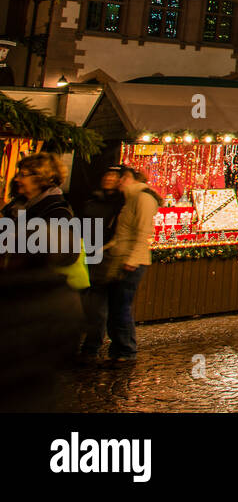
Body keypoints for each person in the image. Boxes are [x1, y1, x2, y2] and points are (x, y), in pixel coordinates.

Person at [0, 153, 83, 409]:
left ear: (43, 178)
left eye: (24, 174)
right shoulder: (17, 206)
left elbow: (62, 250)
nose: (17, 179)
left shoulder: (55, 210)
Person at [80, 165, 160, 365]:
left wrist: (132, 259)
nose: (116, 182)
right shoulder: (131, 199)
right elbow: (122, 233)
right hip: (119, 258)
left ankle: (125, 351)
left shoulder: (143, 198)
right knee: (115, 306)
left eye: (119, 178)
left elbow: (143, 232)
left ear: (127, 179)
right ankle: (119, 350)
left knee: (121, 307)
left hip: (131, 260)